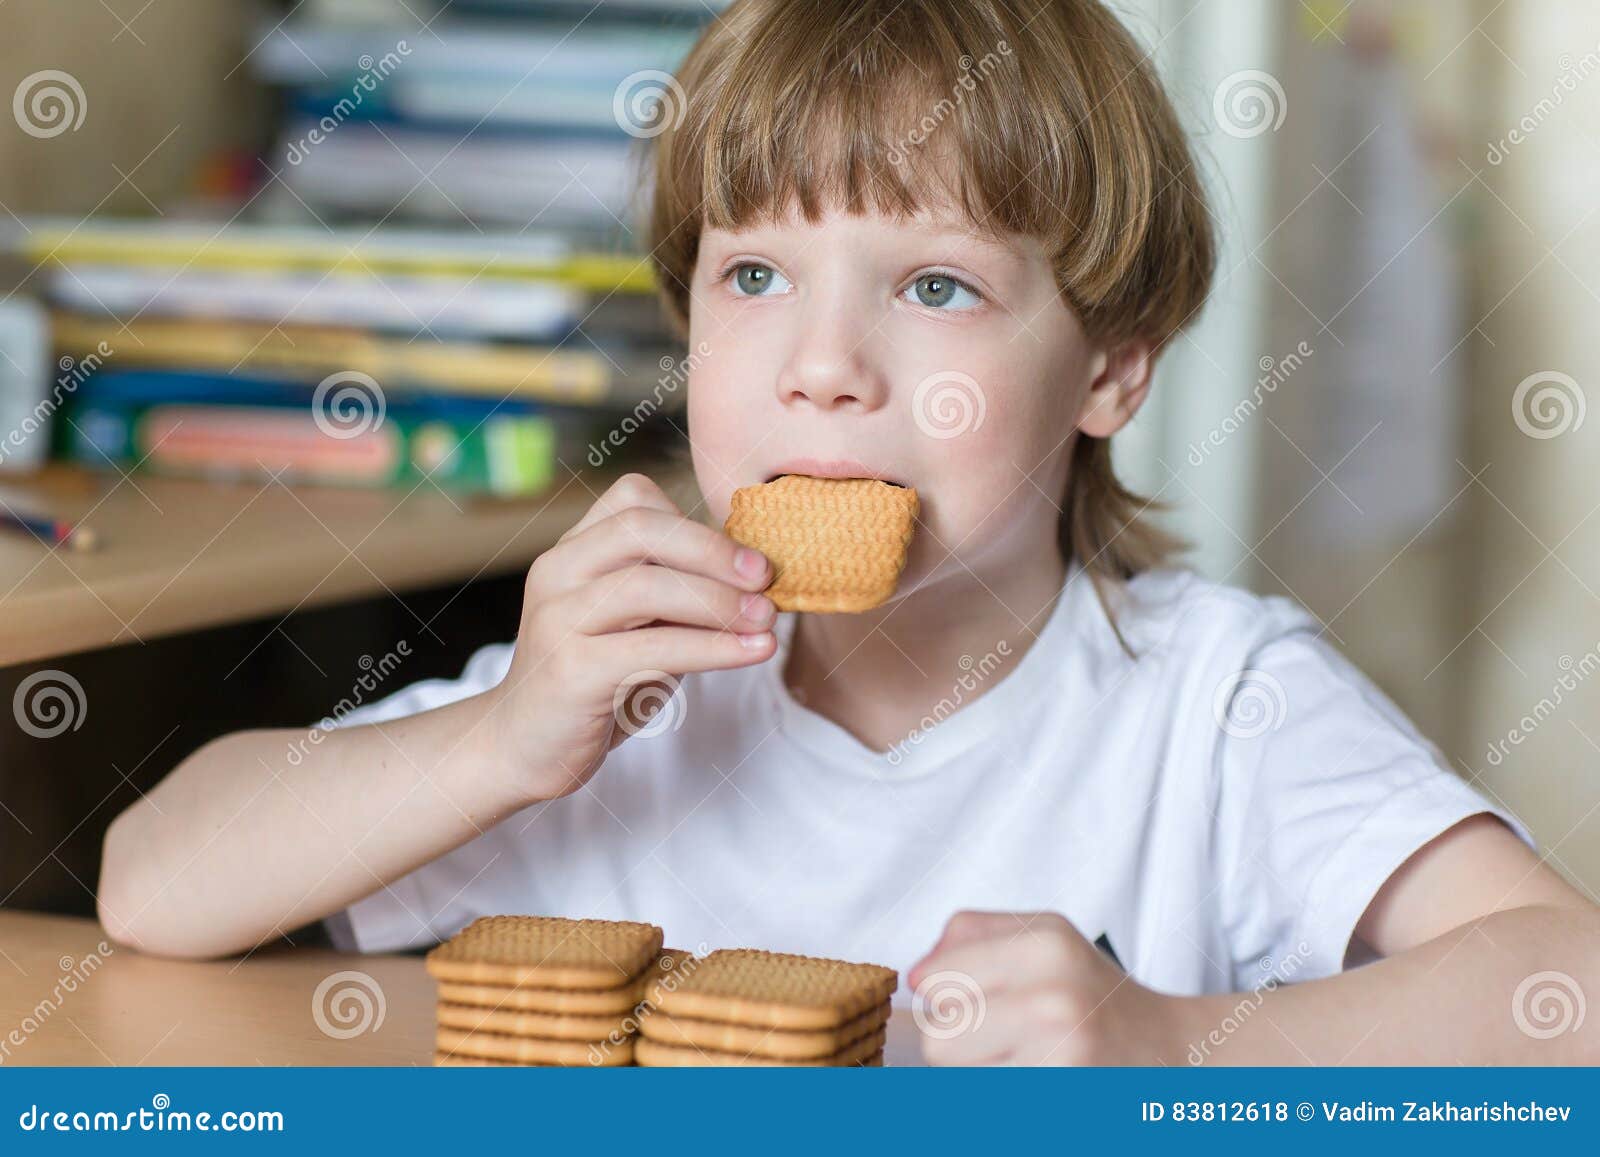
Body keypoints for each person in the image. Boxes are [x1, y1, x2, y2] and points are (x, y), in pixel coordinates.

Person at [98, 0, 1599, 1064]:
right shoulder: (616, 700)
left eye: (934, 286)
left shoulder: (1217, 707)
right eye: (754, 278)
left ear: (1111, 366)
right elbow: (150, 881)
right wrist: (498, 737)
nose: (823, 364)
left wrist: (1174, 1041)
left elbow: (1571, 991)